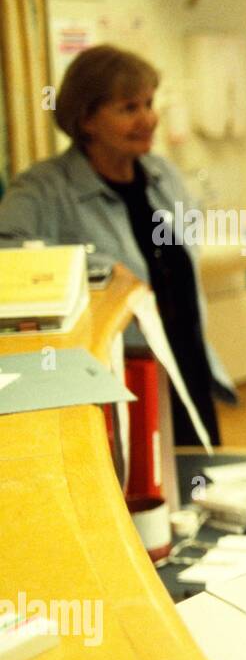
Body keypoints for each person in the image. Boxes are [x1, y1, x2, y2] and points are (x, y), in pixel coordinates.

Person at [0, 45, 229, 447]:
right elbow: (8, 255)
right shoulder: (43, 188)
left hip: (184, 359)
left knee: (197, 476)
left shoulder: (163, 175)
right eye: (128, 108)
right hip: (116, 378)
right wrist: (97, 269)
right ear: (86, 119)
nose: (148, 119)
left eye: (149, 103)